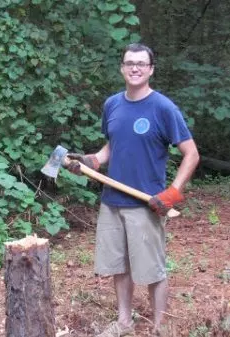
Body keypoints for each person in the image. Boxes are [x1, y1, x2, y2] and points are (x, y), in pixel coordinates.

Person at [67, 43, 200, 336]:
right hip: (112, 201)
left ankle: (159, 327)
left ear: (151, 69)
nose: (135, 68)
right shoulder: (112, 104)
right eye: (129, 63)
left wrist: (173, 192)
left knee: (152, 270)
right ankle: (124, 321)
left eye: (141, 63)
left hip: (145, 203)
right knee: (119, 265)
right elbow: (112, 145)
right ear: (122, 68)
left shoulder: (163, 108)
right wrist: (92, 161)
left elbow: (191, 154)